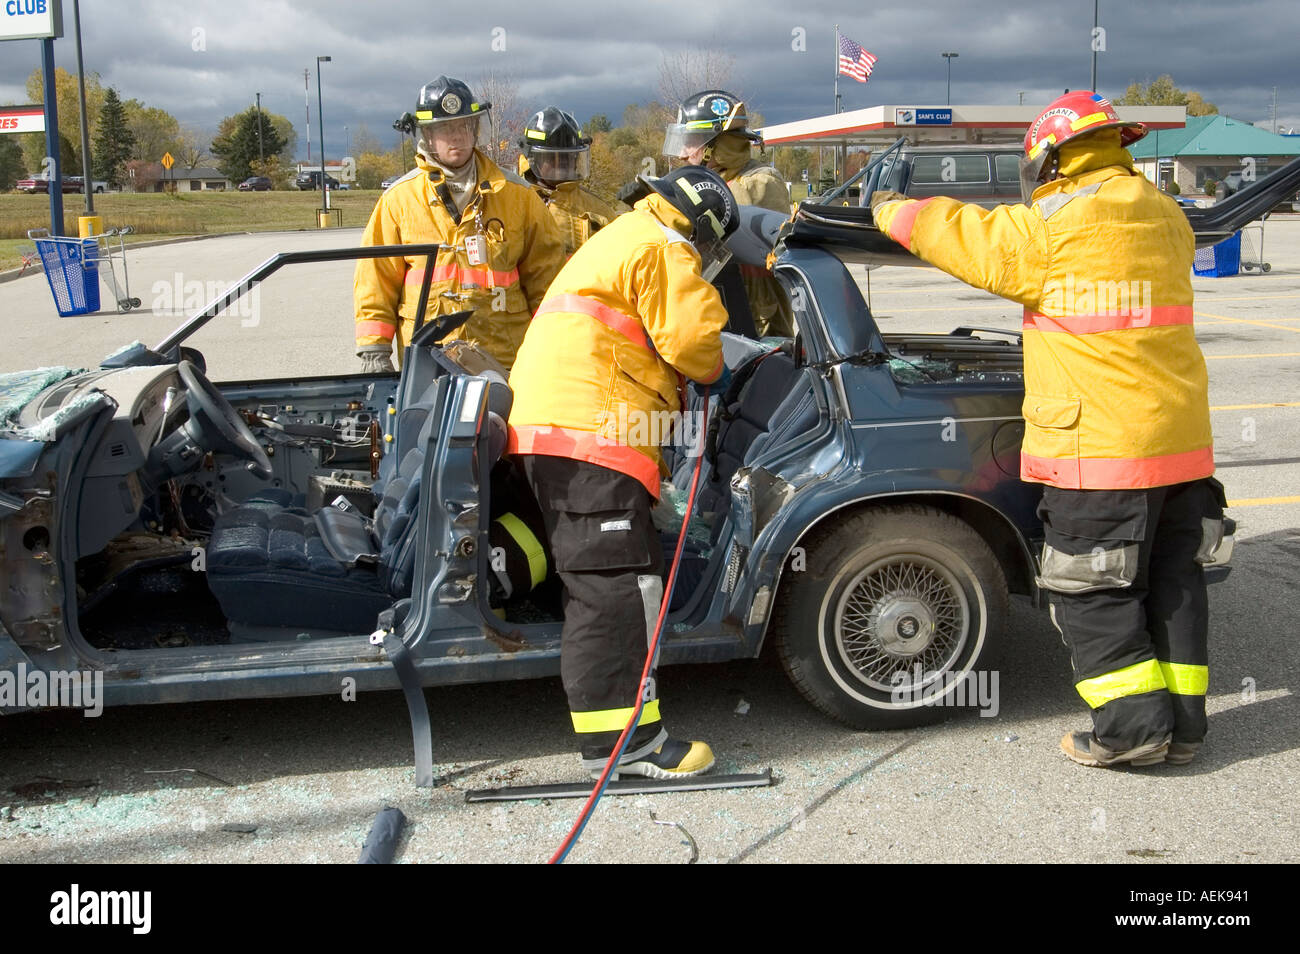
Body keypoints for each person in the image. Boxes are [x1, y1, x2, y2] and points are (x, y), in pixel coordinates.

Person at [871, 91, 1225, 769]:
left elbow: (962, 236)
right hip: (1180, 448)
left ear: (1053, 158)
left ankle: (1129, 733)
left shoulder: (1055, 226)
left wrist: (887, 208)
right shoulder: (1166, 215)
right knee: (1173, 585)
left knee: (1094, 591)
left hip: (1102, 450)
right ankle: (1184, 731)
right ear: (1116, 144)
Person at [506, 165, 738, 779]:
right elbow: (693, 344)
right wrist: (719, 370)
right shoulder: (664, 247)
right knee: (618, 587)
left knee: (572, 557)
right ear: (704, 229)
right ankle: (627, 747)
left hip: (545, 423)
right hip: (594, 431)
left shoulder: (618, 235)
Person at [354, 77, 563, 373]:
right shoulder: (398, 200)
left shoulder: (518, 196)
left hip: (505, 360)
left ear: (476, 129)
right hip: (427, 362)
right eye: (444, 128)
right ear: (426, 135)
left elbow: (547, 279)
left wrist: (555, 343)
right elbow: (375, 280)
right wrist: (374, 351)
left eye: (463, 126)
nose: (456, 137)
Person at [664, 89, 794, 338]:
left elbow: (717, 208)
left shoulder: (760, 182)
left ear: (715, 145)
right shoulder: (706, 181)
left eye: (690, 142)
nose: (682, 154)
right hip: (713, 318)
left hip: (759, 327)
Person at [518, 106, 621, 258]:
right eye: (553, 158)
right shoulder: (514, 204)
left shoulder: (600, 212)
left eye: (569, 157)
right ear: (533, 158)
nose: (562, 163)